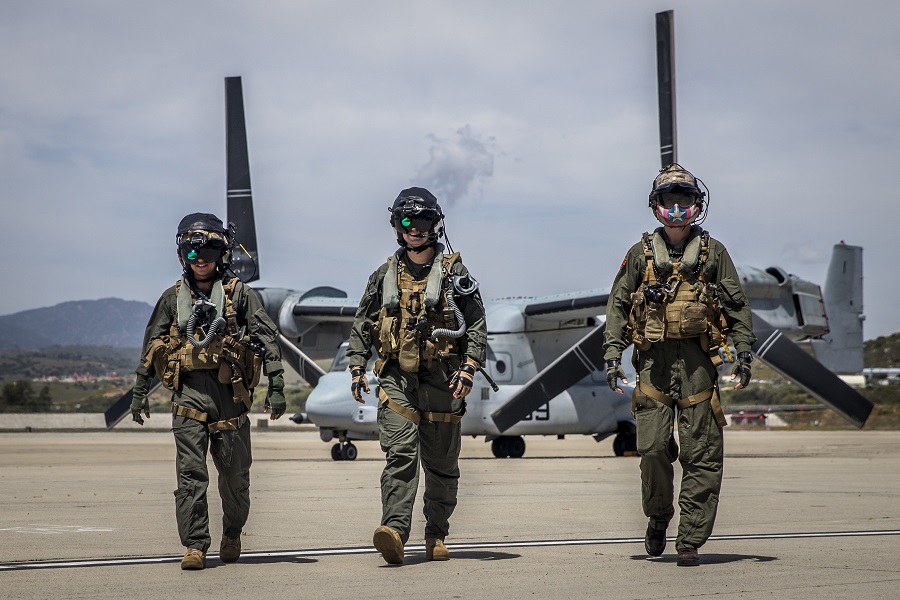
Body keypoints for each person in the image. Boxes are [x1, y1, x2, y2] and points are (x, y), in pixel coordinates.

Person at [602, 164, 755, 567]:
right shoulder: (639, 255)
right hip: (652, 364)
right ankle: (657, 517)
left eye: (683, 199)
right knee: (652, 448)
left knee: (701, 454)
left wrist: (743, 352)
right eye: (669, 200)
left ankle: (689, 540)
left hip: (697, 364)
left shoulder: (714, 252)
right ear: (656, 206)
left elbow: (736, 304)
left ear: (696, 205)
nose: (676, 208)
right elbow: (618, 305)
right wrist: (612, 354)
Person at [130, 212, 286, 570]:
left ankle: (232, 532)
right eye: (192, 250)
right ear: (182, 253)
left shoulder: (239, 295)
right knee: (190, 475)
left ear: (223, 254)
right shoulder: (173, 299)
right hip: (188, 398)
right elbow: (152, 342)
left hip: (230, 397)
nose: (200, 257)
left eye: (210, 249)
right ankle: (195, 545)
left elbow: (266, 337)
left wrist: (277, 385)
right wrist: (140, 390)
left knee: (234, 476)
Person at [346, 187, 487, 565]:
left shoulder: (455, 273)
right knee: (400, 453)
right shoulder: (383, 276)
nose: (415, 229)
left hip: (444, 377)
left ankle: (436, 534)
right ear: (397, 225)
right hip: (398, 378)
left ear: (434, 226)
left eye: (423, 221)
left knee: (442, 463)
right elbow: (362, 324)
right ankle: (393, 530)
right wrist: (357, 367)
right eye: (407, 221)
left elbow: (475, 324)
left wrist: (470, 368)